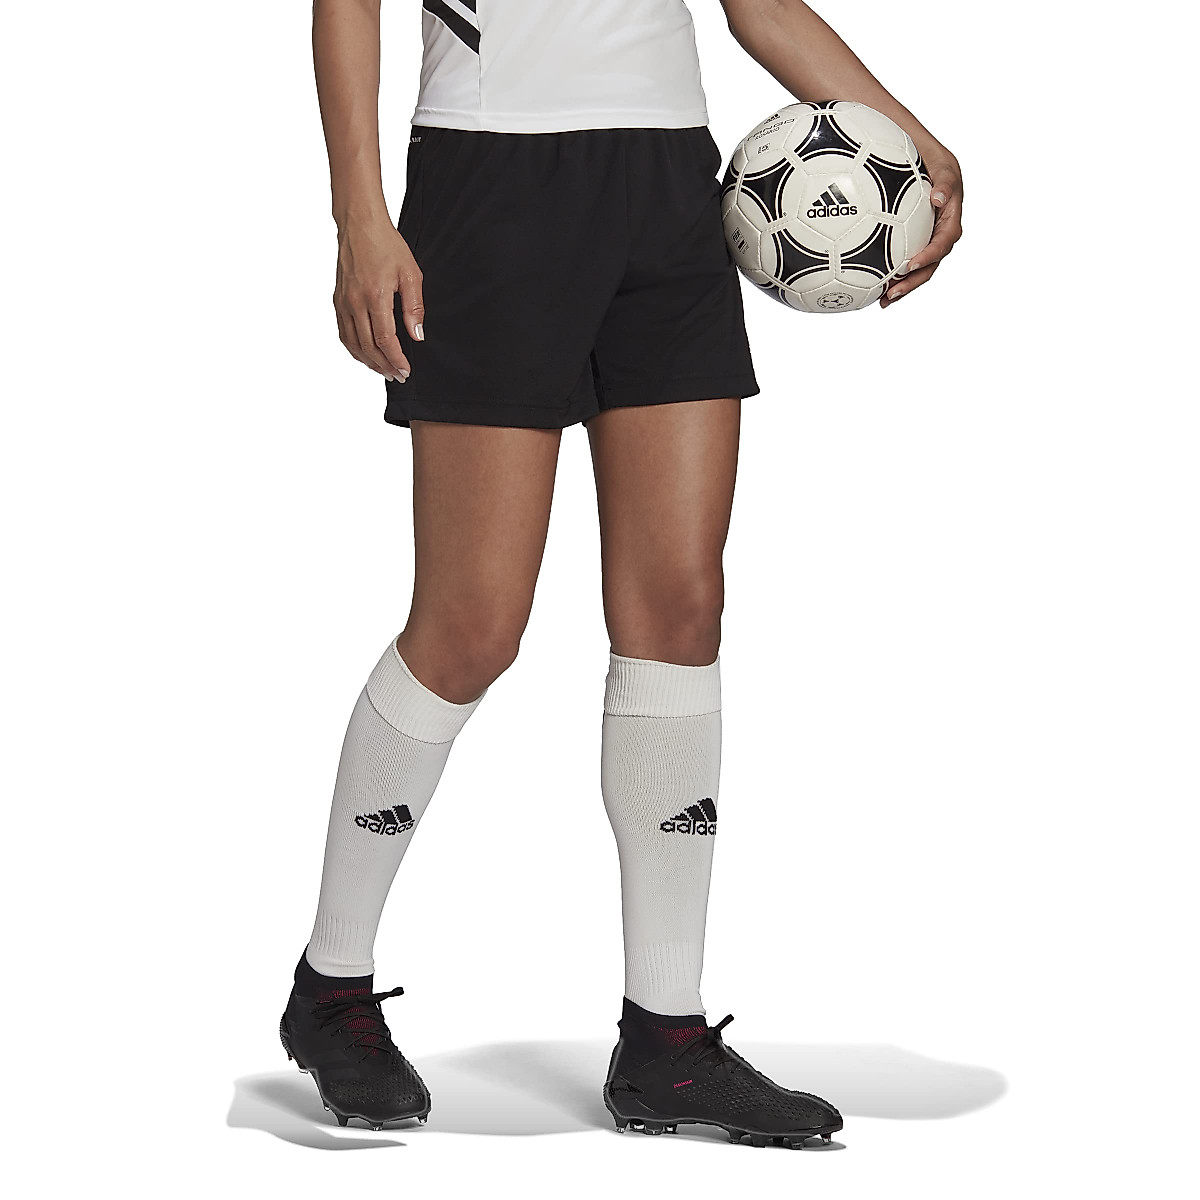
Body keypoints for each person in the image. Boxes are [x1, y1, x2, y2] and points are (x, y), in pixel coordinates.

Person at [280, 0, 963, 1145]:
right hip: (493, 172)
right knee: (470, 627)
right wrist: (359, 213)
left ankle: (667, 1040)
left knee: (679, 608)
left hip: (669, 185)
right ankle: (331, 986)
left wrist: (909, 138)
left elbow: (754, 4)